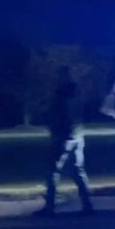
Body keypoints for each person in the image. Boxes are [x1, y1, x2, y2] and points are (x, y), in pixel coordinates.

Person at [36, 69, 94, 216]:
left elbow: (55, 115)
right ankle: (87, 205)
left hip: (63, 137)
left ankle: (50, 207)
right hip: (77, 135)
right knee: (78, 171)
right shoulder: (77, 93)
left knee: (53, 172)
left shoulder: (60, 94)